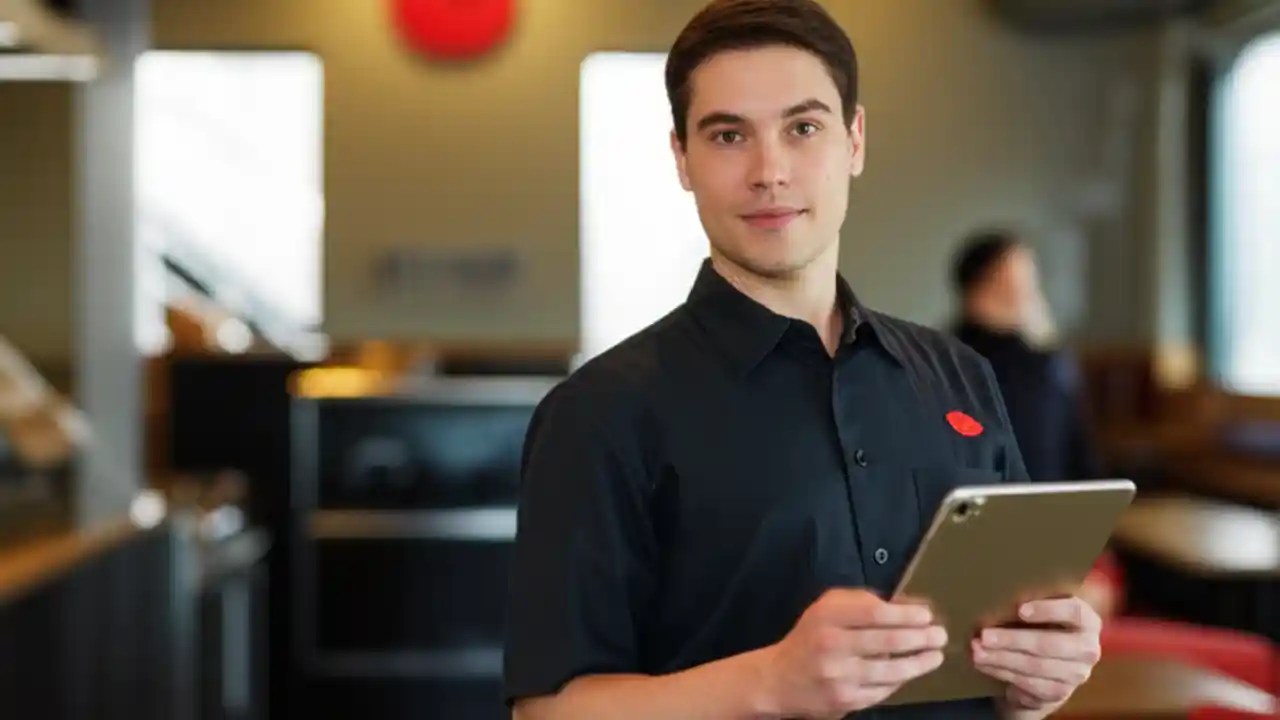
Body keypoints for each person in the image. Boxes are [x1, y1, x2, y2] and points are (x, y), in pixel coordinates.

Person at [504, 2, 1103, 718]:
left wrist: (1037, 684)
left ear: (854, 140)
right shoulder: (597, 413)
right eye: (728, 135)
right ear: (681, 160)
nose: (770, 171)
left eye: (804, 127)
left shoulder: (963, 376)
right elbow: (548, 711)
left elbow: (1003, 676)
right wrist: (770, 683)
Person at [949, 232, 1119, 618]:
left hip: (1054, 544)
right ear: (987, 285)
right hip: (988, 552)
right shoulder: (950, 364)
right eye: (1021, 281)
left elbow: (1082, 467)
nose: (1030, 293)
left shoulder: (1048, 368)